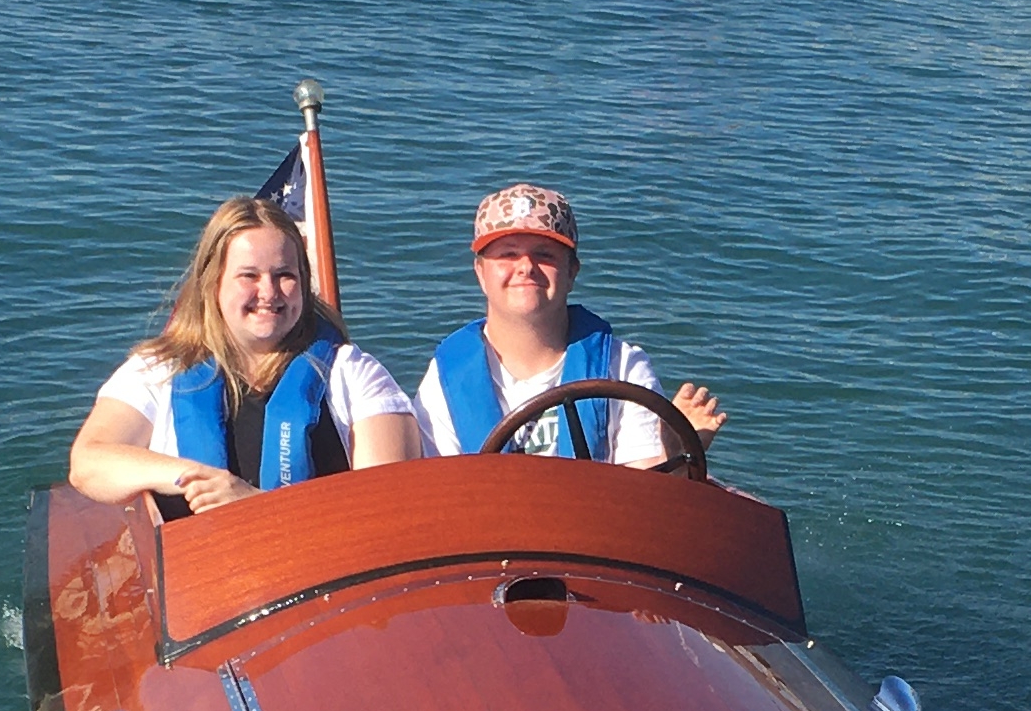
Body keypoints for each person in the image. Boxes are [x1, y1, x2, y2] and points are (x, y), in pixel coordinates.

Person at [69, 195, 422, 510]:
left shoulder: (354, 374)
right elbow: (88, 463)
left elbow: (386, 506)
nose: (269, 292)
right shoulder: (158, 371)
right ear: (213, 283)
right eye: (249, 275)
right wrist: (197, 479)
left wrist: (255, 505)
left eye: (285, 275)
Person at [417, 184, 726, 469]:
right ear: (481, 273)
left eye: (544, 254)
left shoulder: (623, 368)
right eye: (508, 254)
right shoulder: (444, 378)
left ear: (571, 272)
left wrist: (674, 456)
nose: (525, 266)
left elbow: (643, 500)